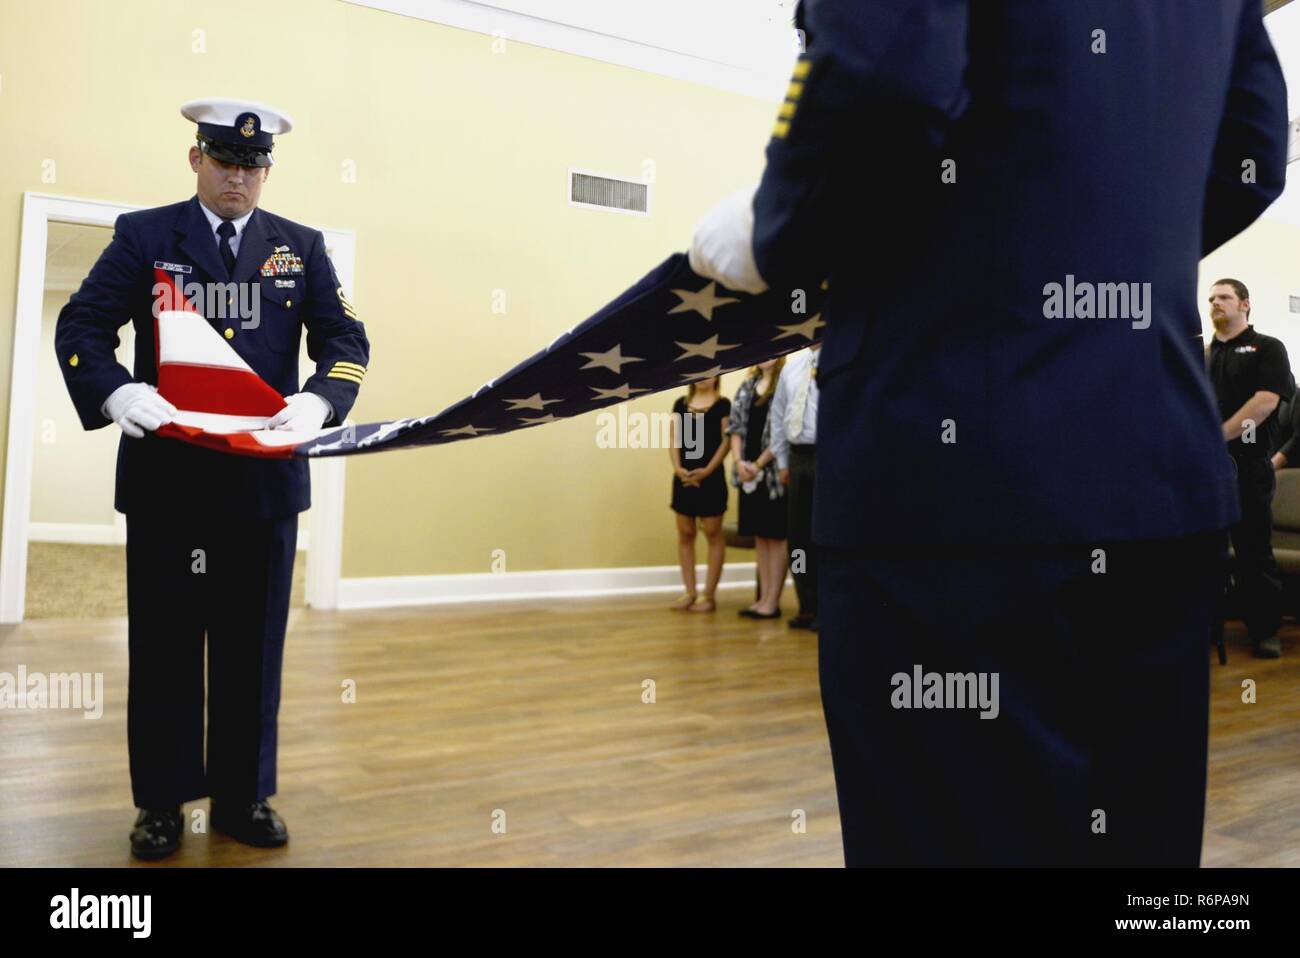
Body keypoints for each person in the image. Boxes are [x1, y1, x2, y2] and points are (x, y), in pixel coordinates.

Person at [689, 0, 1288, 865]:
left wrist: (777, 226)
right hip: (1155, 466)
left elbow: (887, 77)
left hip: (955, 467)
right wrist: (1093, 243)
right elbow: (1253, 151)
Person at [54, 98, 371, 860]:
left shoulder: (301, 247)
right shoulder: (146, 236)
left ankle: (241, 796)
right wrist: (115, 390)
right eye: (226, 161)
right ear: (196, 159)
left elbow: (345, 340)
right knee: (165, 648)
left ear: (268, 171)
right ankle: (161, 804)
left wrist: (320, 400)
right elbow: (82, 325)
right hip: (170, 484)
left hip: (262, 487)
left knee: (252, 650)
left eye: (254, 166)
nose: (239, 178)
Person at [1207, 279, 1293, 658]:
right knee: (1204, 550)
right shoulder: (1204, 355)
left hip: (1249, 467)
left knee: (1253, 550)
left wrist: (1218, 436)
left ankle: (1264, 631)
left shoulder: (1267, 347)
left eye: (1224, 297)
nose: (1215, 302)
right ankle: (1208, 625)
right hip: (1206, 470)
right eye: (1211, 298)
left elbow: (1265, 403)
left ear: (1244, 304)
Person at [728, 358, 789, 619]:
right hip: (748, 474)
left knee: (776, 536)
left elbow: (782, 432)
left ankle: (772, 600)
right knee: (760, 537)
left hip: (773, 473)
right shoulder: (747, 385)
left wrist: (758, 464)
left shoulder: (784, 383)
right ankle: (762, 598)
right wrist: (739, 462)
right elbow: (735, 428)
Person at [668, 376, 731, 613]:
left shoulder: (723, 405)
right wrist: (678, 468)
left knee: (713, 532)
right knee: (685, 533)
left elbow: (726, 442)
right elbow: (674, 438)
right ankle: (690, 591)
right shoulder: (680, 404)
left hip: (711, 477)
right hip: (683, 477)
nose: (705, 377)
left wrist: (707, 470)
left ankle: (709, 595)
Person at [768, 346, 820, 631]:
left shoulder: (838, 361)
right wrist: (782, 462)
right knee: (798, 537)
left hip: (828, 454)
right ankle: (807, 606)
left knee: (823, 535)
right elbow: (778, 415)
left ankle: (827, 608)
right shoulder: (792, 366)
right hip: (797, 457)